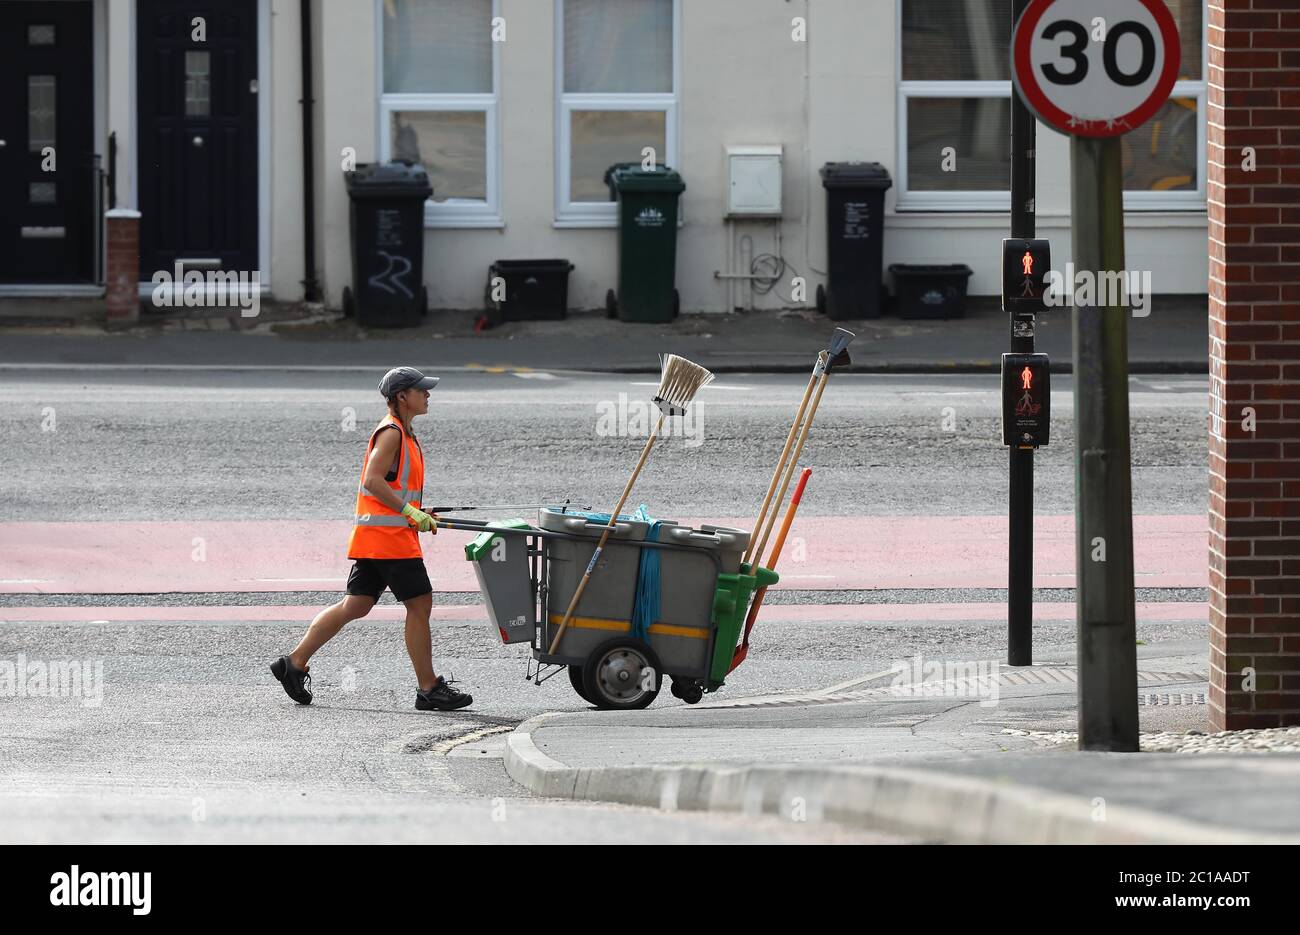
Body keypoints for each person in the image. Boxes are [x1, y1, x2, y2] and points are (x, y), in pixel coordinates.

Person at [270, 366, 473, 711]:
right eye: (421, 390)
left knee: (357, 605)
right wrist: (410, 513)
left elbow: (393, 488)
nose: (427, 394)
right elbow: (372, 480)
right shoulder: (392, 432)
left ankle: (294, 663)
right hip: (388, 539)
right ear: (401, 397)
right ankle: (428, 688)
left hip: (381, 536)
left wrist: (420, 511)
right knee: (420, 603)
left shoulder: (404, 433)